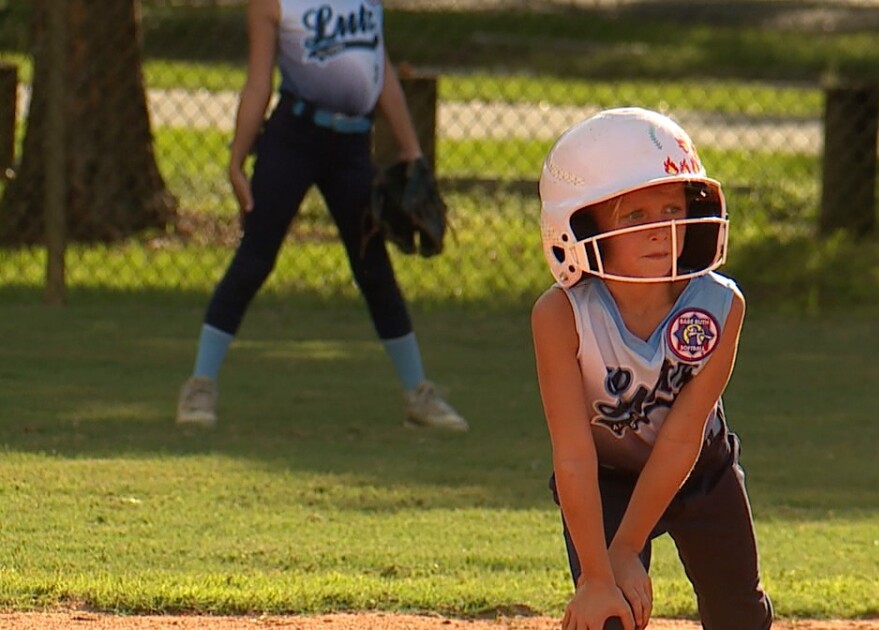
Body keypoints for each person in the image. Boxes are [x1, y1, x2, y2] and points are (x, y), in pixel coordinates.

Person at [531, 107, 773, 630]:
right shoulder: (561, 315)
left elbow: (682, 438)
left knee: (740, 618)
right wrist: (599, 573)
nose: (662, 230)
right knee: (608, 613)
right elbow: (573, 456)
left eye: (672, 209)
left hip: (699, 470)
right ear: (579, 224)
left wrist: (629, 546)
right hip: (606, 479)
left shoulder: (719, 305)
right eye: (635, 217)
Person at [175, 0, 467, 432]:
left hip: (352, 148)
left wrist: (411, 150)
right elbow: (258, 84)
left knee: (373, 268)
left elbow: (379, 66)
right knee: (254, 259)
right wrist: (237, 161)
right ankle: (200, 384)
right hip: (293, 139)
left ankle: (417, 394)